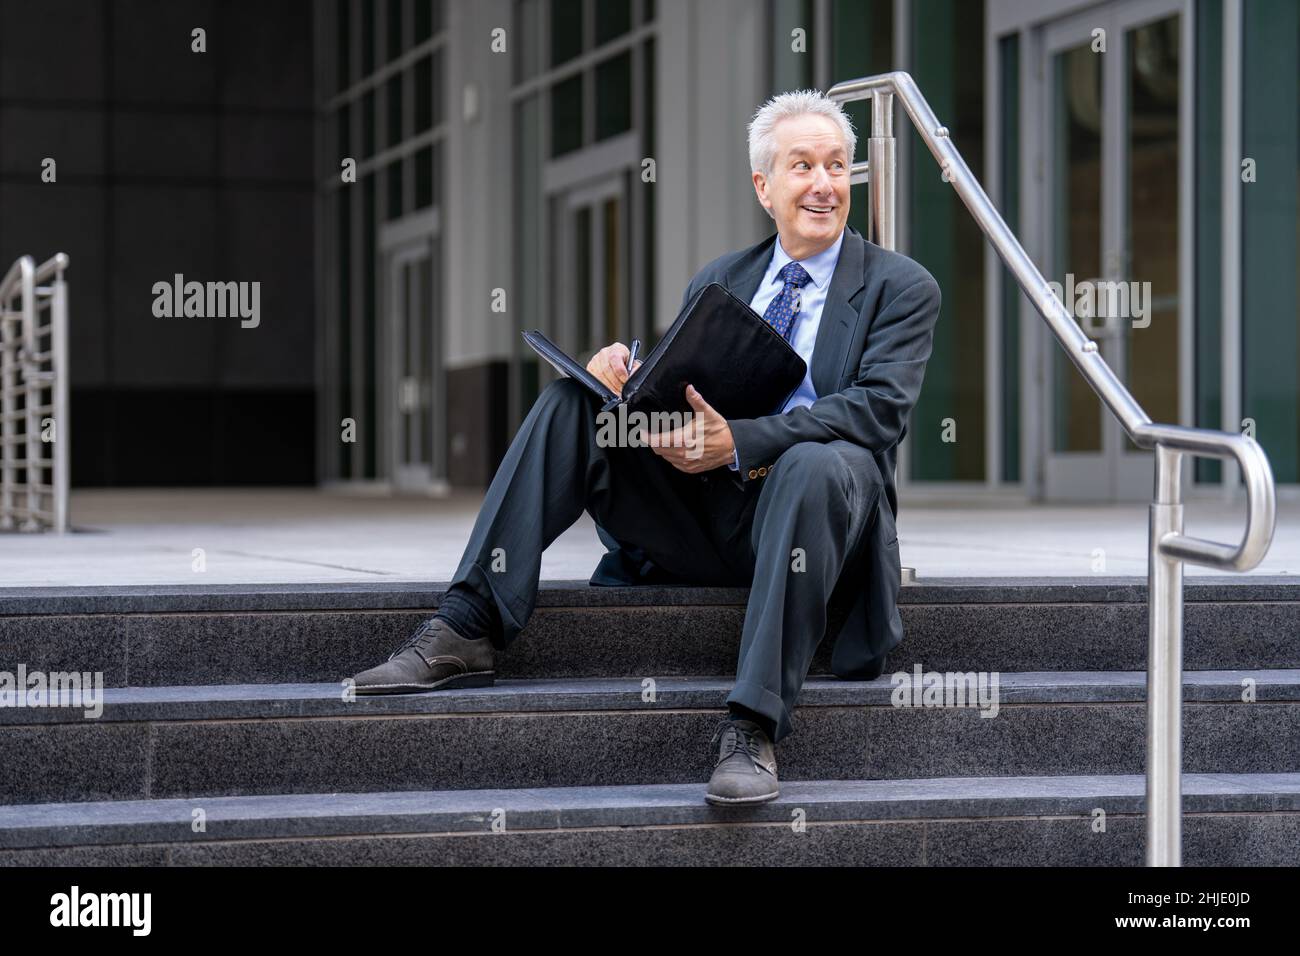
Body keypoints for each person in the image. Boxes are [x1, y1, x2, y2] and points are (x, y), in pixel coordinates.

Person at [350, 88, 941, 806]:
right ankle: (466, 625)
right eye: (802, 166)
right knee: (576, 406)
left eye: (837, 166)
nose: (823, 184)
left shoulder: (899, 286)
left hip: (814, 525)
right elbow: (681, 383)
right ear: (764, 185)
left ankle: (753, 728)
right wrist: (624, 381)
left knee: (819, 460)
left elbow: (878, 412)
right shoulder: (723, 279)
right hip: (706, 514)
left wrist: (741, 441)